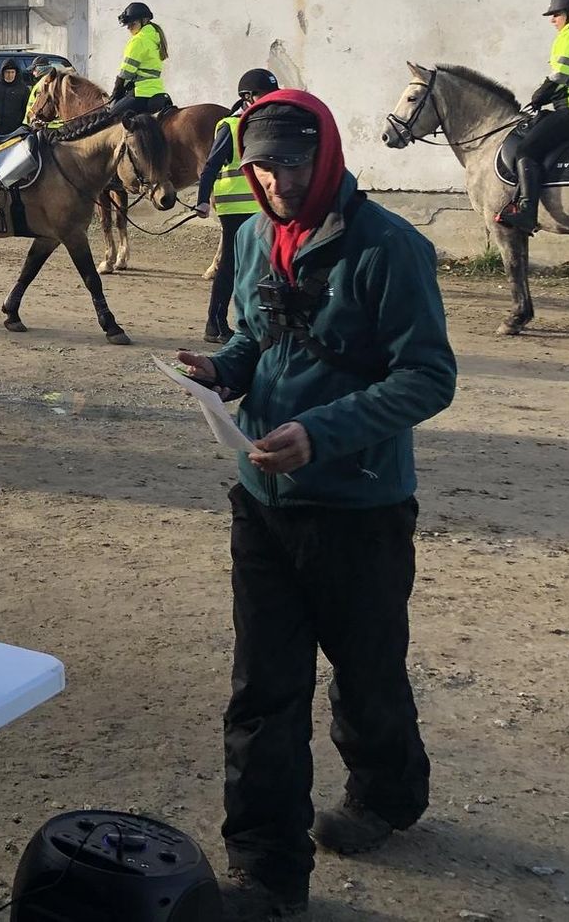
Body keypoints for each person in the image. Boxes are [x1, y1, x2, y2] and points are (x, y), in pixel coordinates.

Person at [174, 91, 456, 920]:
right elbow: (258, 338)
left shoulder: (391, 249)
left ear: (325, 155)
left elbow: (428, 377)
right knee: (263, 688)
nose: (278, 181)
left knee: (367, 671)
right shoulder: (259, 236)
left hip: (359, 509)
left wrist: (323, 431)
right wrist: (224, 371)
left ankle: (386, 793)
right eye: (262, 165)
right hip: (262, 499)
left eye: (293, 162)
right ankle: (266, 870)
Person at [497, 0, 569, 235]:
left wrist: (541, 94)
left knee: (527, 149)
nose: (552, 20)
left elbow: (561, 74)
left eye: (556, 15)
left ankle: (527, 211)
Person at [195, 68, 280, 343]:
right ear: (247, 97)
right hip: (234, 207)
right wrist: (202, 200)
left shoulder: (263, 123)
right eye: (264, 96)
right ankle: (215, 324)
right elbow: (211, 166)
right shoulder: (230, 126)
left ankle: (258, 323)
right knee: (231, 266)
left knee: (262, 265)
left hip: (261, 207)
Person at [105, 2, 173, 127]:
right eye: (127, 25)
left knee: (110, 119)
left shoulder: (138, 40)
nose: (129, 28)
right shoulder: (155, 38)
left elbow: (126, 73)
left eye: (132, 24)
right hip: (158, 91)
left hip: (142, 93)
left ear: (144, 21)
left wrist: (116, 92)